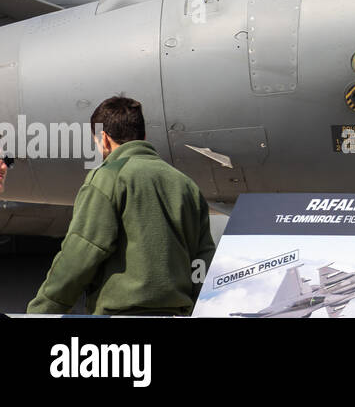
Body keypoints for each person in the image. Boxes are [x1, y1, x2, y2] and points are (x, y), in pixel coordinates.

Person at [27, 95, 215, 315]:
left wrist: (41, 310)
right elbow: (202, 261)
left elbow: (81, 252)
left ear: (104, 139)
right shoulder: (186, 185)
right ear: (143, 136)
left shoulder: (108, 177)